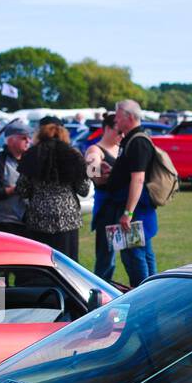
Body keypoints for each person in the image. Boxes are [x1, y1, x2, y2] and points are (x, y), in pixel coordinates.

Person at [101, 99, 159, 286]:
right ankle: (151, 293)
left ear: (130, 117)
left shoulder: (138, 142)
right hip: (132, 208)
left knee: (133, 256)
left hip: (134, 210)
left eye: (118, 117)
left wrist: (128, 213)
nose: (116, 121)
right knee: (142, 253)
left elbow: (138, 178)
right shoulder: (132, 140)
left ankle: (143, 293)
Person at [16, 116, 89, 260]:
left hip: (39, 218)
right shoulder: (74, 155)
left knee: (41, 264)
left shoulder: (31, 154)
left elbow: (22, 189)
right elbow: (84, 189)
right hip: (68, 219)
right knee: (68, 266)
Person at [85, 111, 122, 281]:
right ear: (107, 128)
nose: (122, 134)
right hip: (106, 209)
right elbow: (94, 178)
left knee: (129, 255)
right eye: (118, 130)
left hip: (122, 208)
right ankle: (100, 289)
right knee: (106, 257)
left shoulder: (120, 148)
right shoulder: (94, 149)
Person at [0, 120, 30, 236]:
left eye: (29, 138)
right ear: (11, 140)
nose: (28, 141)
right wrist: (16, 189)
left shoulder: (29, 160)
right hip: (6, 222)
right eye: (24, 138)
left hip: (27, 221)